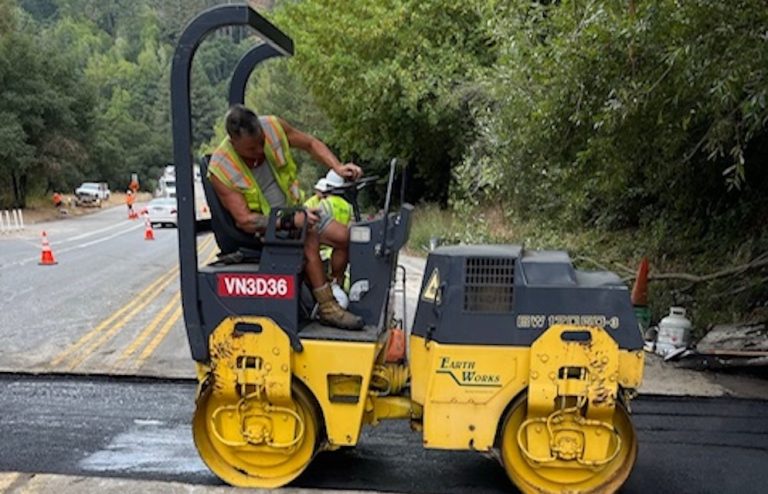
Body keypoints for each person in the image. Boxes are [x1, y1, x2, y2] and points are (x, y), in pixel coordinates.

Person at [207, 104, 364, 330]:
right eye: (251, 148)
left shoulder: (272, 127)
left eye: (261, 142)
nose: (259, 151)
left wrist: (338, 168)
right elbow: (246, 221)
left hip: (297, 211)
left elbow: (310, 144)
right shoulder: (221, 168)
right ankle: (328, 307)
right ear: (233, 141)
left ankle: (334, 288)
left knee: (346, 237)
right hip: (265, 229)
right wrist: (289, 221)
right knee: (308, 235)